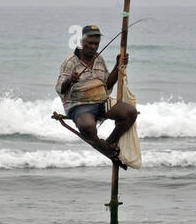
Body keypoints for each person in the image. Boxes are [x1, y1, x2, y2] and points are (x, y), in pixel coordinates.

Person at [55, 24, 138, 164]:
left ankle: (109, 143)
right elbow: (60, 88)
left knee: (130, 112)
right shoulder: (70, 62)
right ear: (82, 42)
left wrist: (118, 66)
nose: (93, 47)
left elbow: (108, 85)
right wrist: (70, 80)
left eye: (96, 44)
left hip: (101, 101)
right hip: (79, 105)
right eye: (90, 43)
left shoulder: (99, 59)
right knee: (87, 127)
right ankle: (108, 150)